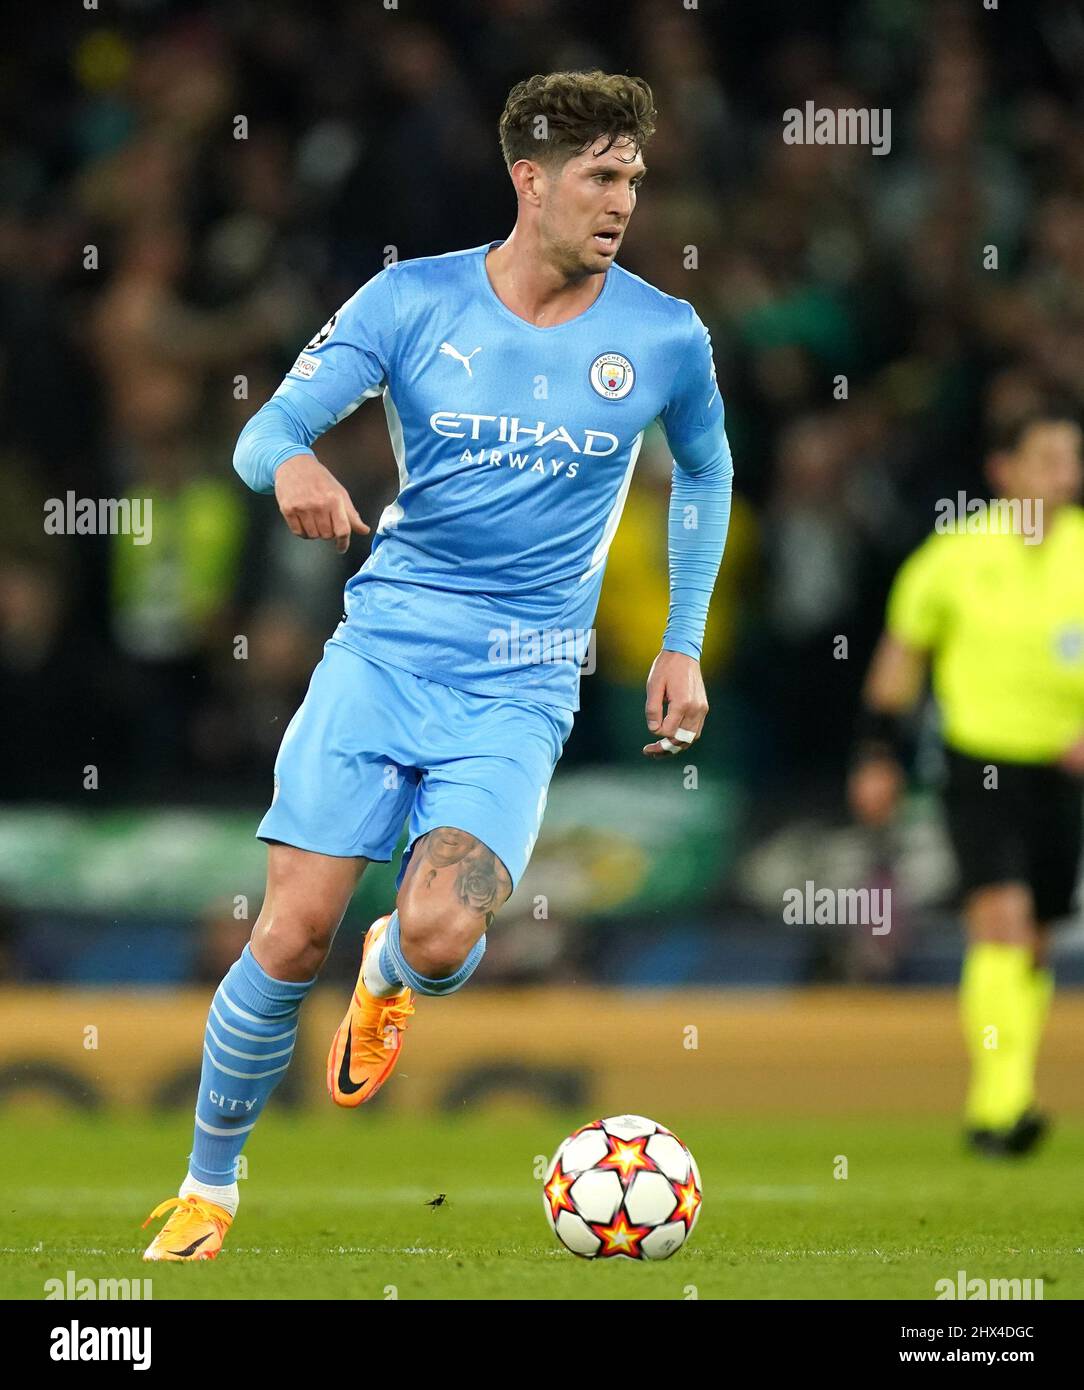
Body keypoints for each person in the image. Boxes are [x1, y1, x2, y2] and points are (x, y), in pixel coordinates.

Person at [142, 69, 733, 1260]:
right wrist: (293, 469)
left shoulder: (665, 333)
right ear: (531, 178)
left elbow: (707, 473)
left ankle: (396, 969)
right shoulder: (412, 300)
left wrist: (680, 638)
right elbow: (266, 428)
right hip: (382, 658)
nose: (624, 200)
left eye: (634, 177)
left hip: (520, 685)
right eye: (602, 176)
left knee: (444, 934)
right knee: (289, 935)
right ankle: (210, 1188)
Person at [849, 408, 1084, 1156]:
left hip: (1064, 772)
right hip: (980, 765)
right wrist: (878, 753)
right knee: (1002, 920)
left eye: (1071, 457)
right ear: (1004, 471)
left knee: (1038, 939)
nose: (1065, 473)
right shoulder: (952, 556)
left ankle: (1009, 1087)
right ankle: (999, 1106)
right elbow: (899, 659)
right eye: (1047, 457)